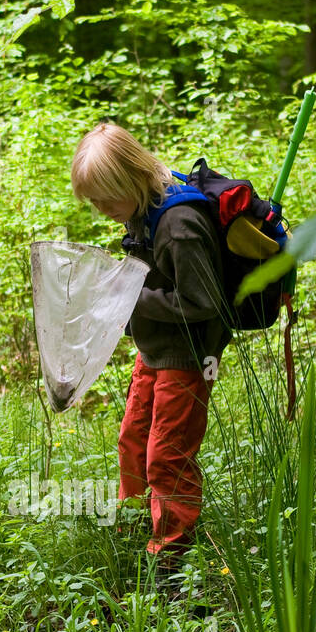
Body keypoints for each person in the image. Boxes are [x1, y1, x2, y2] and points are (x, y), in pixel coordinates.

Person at [71, 121, 231, 564]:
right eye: (94, 201)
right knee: (133, 439)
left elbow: (202, 301)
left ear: (131, 178)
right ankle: (136, 523)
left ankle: (172, 555)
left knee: (167, 453)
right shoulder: (142, 213)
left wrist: (130, 299)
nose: (101, 208)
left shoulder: (179, 223)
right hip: (155, 349)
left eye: (106, 197)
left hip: (189, 354)